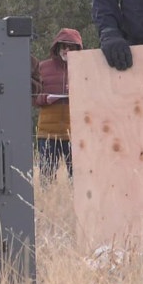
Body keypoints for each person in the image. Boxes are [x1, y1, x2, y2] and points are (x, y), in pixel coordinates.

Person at [33, 28, 82, 181]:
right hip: (48, 132)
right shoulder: (42, 67)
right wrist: (45, 99)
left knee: (78, 178)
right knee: (47, 177)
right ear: (57, 48)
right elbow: (33, 96)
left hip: (76, 133)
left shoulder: (85, 69)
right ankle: (48, 204)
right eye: (63, 46)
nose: (66, 50)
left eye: (71, 47)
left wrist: (78, 94)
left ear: (77, 49)